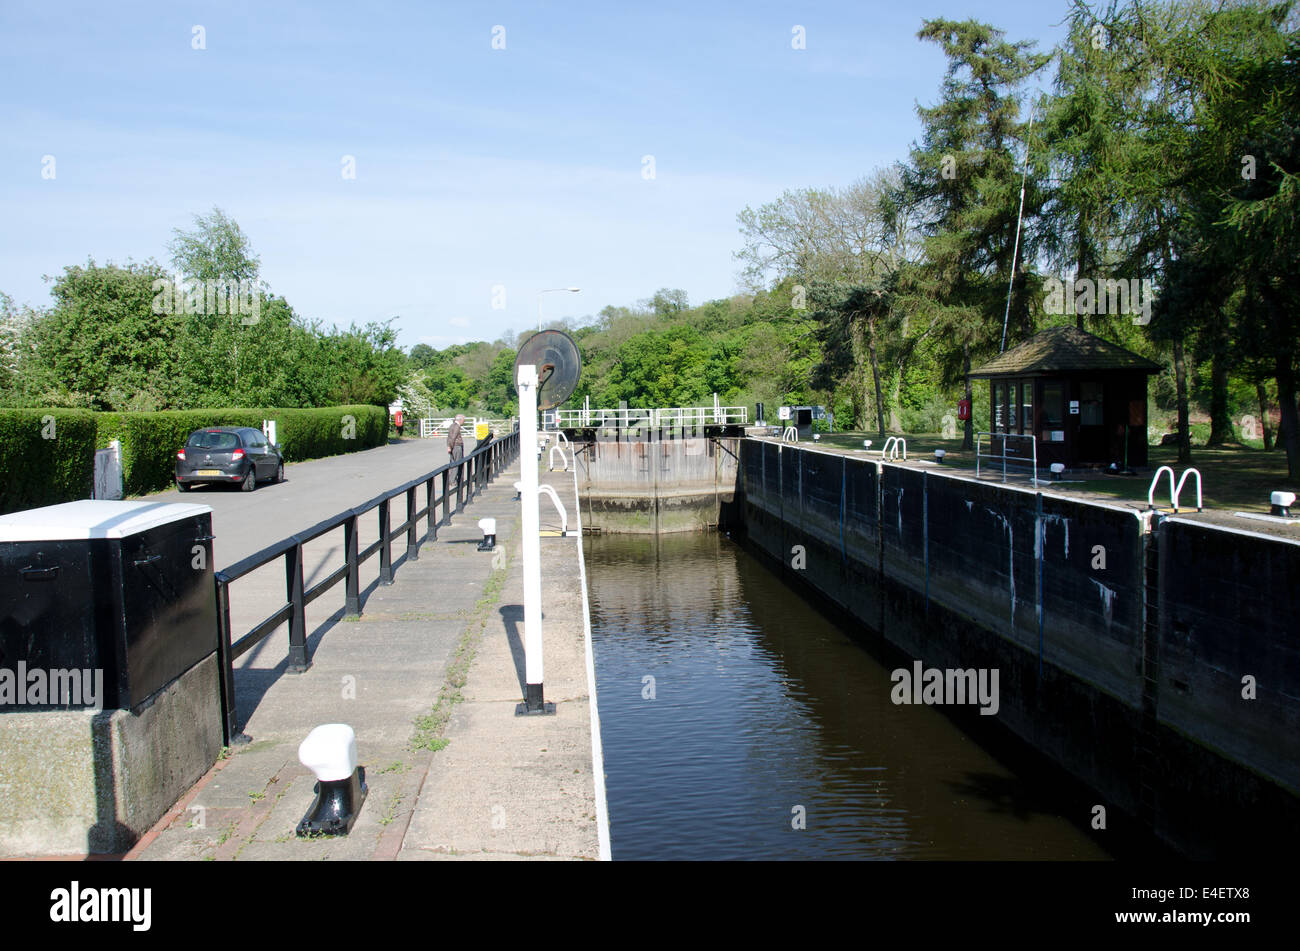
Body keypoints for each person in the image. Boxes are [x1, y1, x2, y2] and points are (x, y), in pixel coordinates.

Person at [447, 414, 465, 496]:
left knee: (453, 463)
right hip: (456, 446)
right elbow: (453, 437)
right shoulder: (457, 427)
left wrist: (448, 446)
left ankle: (451, 479)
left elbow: (449, 437)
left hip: (452, 446)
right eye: (463, 420)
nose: (464, 421)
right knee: (457, 463)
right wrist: (450, 446)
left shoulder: (452, 425)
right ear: (460, 420)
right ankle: (452, 480)